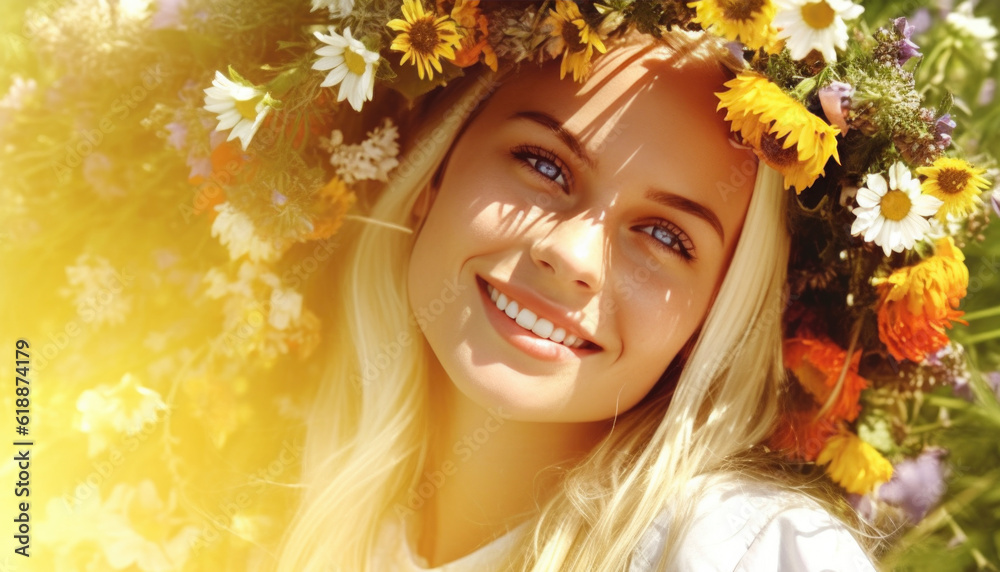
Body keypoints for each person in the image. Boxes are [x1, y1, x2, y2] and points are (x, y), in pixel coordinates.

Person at [275, 26, 877, 572]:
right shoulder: (284, 505)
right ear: (434, 173)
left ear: (711, 318)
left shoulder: (747, 549)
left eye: (667, 236)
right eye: (544, 165)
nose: (571, 255)